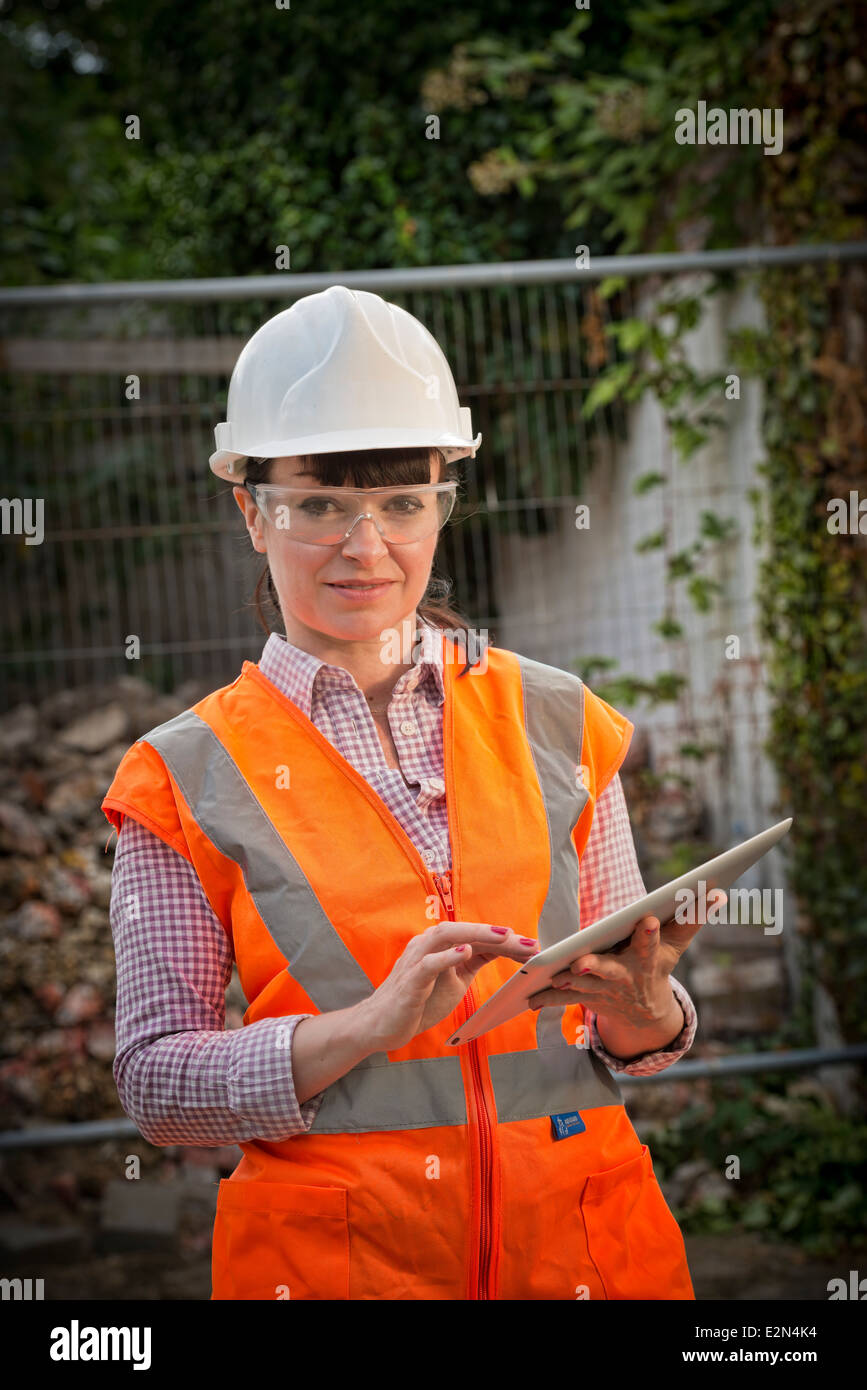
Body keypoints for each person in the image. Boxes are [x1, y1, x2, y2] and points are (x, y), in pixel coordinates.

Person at [102, 284, 718, 1301]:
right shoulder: (184, 775)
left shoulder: (558, 720)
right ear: (251, 511)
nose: (367, 545)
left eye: (401, 502)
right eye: (321, 505)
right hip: (341, 1271)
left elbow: (627, 1024)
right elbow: (157, 1086)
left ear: (442, 504)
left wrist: (653, 1009)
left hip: (587, 1260)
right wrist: (362, 1030)